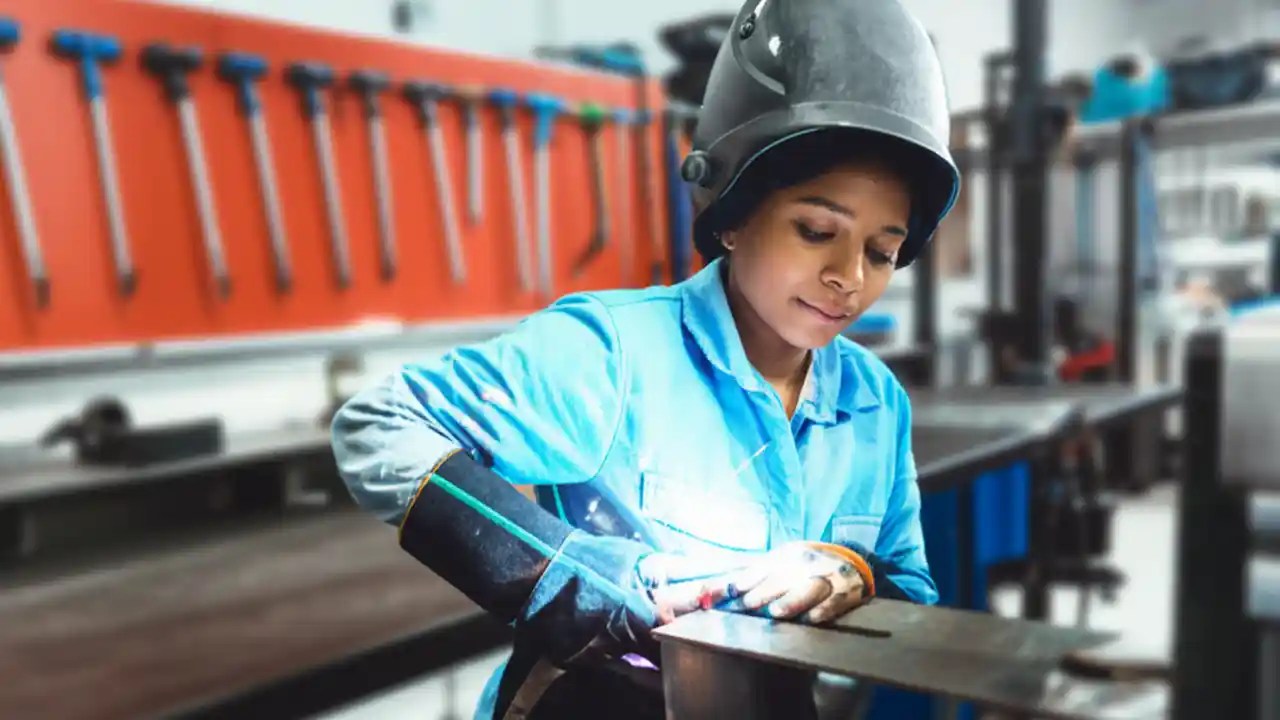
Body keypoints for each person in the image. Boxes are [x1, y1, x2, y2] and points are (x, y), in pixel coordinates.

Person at [330, 0, 959, 717]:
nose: (851, 275)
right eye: (818, 230)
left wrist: (851, 571)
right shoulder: (613, 354)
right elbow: (379, 427)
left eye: (882, 251)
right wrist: (566, 576)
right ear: (734, 214)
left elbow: (909, 588)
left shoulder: (875, 403)